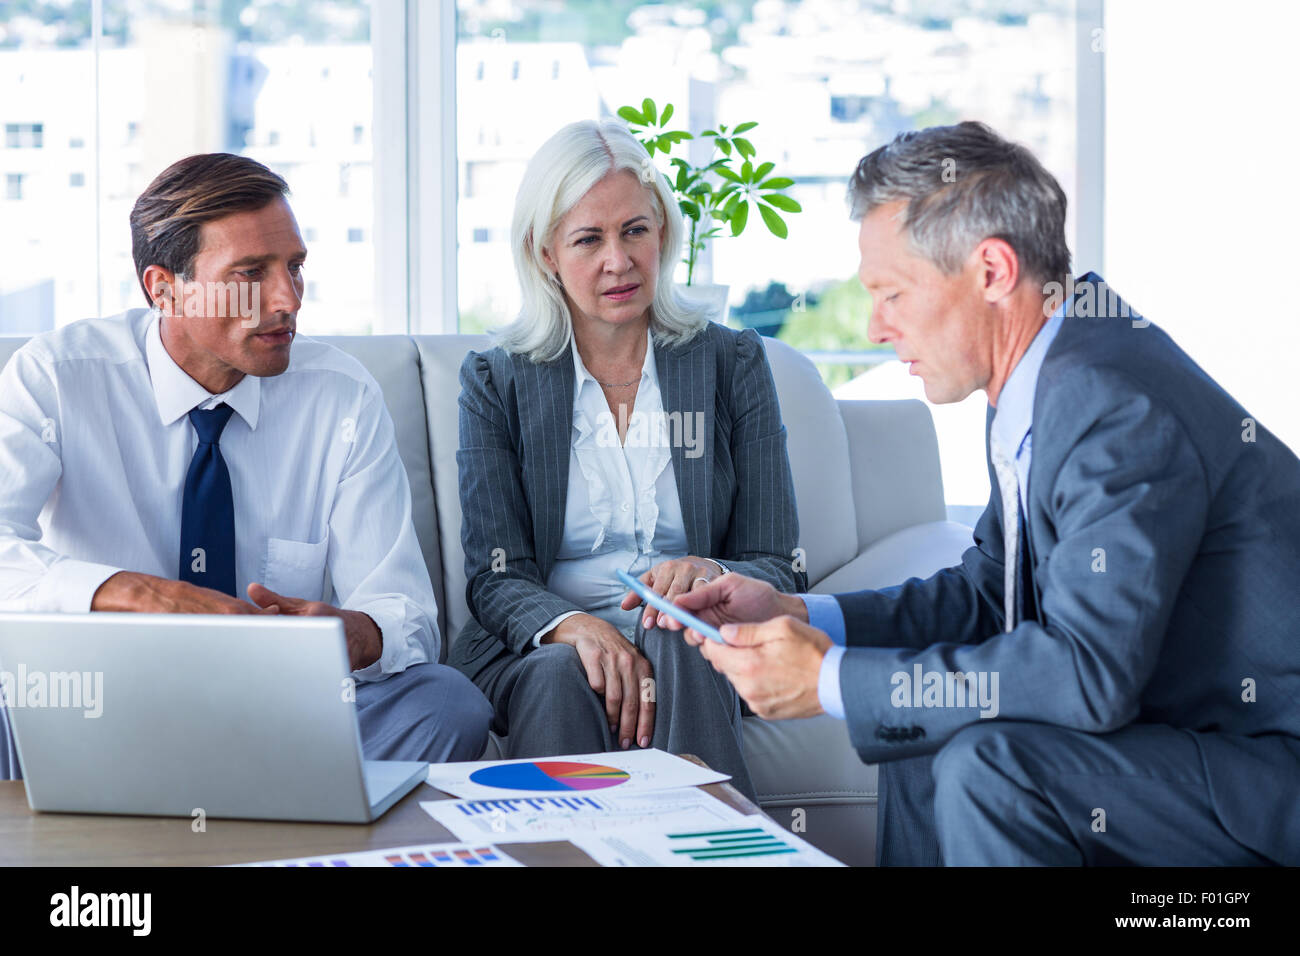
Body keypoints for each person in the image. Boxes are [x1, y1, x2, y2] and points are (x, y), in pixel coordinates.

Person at [670, 121, 1300, 865]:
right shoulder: (1046, 374)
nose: (875, 326)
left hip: (1264, 766)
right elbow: (986, 594)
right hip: (1191, 745)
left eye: (893, 293)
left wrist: (827, 679)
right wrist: (801, 614)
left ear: (992, 272)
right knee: (921, 734)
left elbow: (1087, 674)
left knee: (990, 767)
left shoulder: (1112, 405)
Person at [0, 153, 492, 779]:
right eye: (251, 274)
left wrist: (354, 633)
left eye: (295, 267)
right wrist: (142, 595)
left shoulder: (341, 396)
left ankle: (230, 801)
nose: (287, 299)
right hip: (100, 706)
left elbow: (405, 610)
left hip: (278, 712)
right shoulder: (58, 378)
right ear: (164, 287)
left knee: (446, 703)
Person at [449, 119, 805, 801]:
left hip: (690, 634)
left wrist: (712, 572)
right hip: (549, 640)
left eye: (635, 231)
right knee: (559, 673)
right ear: (544, 252)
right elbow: (495, 578)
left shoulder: (732, 363)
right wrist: (572, 627)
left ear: (663, 235)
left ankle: (710, 842)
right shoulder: (496, 381)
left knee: (680, 634)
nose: (619, 260)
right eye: (589, 238)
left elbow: (780, 561)